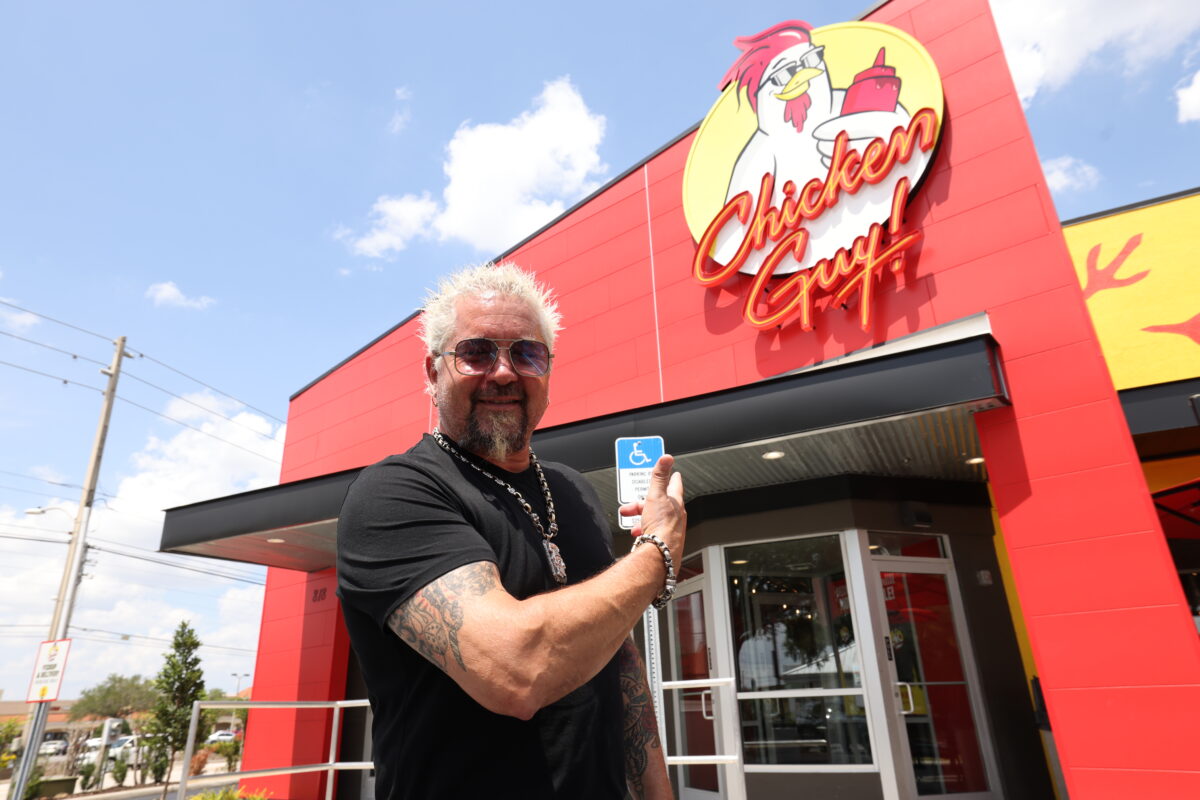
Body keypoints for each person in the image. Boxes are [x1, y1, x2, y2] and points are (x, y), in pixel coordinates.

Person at [336, 262, 687, 800]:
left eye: (526, 353)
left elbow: (618, 656)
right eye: (476, 352)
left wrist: (659, 793)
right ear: (433, 374)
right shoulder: (394, 494)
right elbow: (515, 671)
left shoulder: (573, 491)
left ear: (547, 371)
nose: (503, 373)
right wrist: (656, 553)